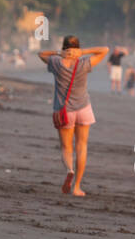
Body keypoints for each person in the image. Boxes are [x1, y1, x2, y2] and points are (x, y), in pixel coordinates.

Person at [37, 36, 110, 197]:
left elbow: (40, 53)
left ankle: (69, 170)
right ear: (78, 47)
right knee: (82, 146)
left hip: (65, 111)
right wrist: (82, 52)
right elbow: (105, 50)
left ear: (64, 47)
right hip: (84, 108)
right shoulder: (84, 63)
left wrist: (59, 53)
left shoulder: (56, 63)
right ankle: (77, 186)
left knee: (66, 147)